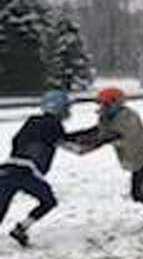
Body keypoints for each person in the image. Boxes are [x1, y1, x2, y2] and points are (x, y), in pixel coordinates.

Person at [74, 88, 143, 225]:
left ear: (116, 103)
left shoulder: (128, 117)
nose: (102, 107)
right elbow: (95, 132)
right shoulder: (106, 118)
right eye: (100, 104)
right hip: (135, 160)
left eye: (105, 104)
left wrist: (89, 143)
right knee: (138, 194)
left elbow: (110, 136)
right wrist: (71, 137)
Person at [1, 90, 85, 246]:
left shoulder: (32, 121)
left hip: (7, 168)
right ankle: (21, 228)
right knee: (48, 201)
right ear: (60, 109)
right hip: (27, 173)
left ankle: (20, 230)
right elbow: (72, 145)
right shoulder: (54, 125)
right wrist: (99, 136)